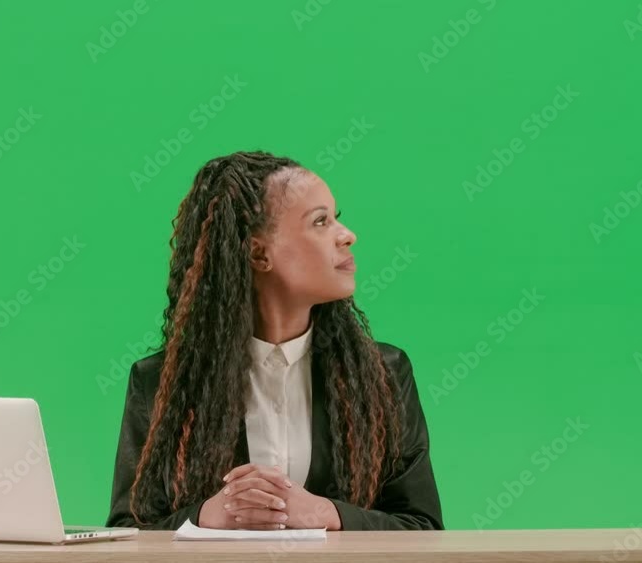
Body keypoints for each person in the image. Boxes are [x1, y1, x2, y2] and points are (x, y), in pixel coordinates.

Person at [106, 151, 443, 531]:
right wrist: (204, 517)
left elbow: (422, 527)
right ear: (258, 253)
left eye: (336, 218)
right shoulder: (158, 384)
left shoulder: (385, 374)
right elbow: (126, 532)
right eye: (320, 221)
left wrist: (326, 513)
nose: (348, 235)